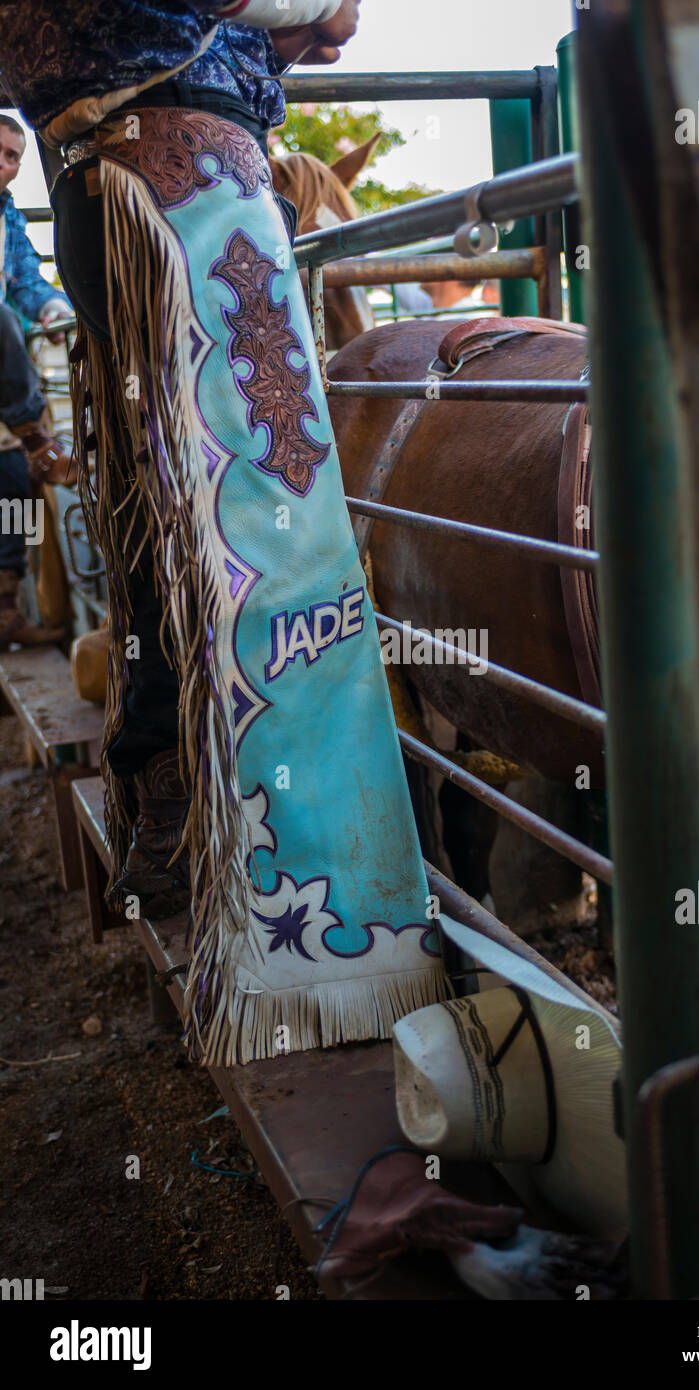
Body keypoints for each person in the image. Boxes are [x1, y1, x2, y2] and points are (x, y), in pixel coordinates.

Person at [0, 0, 446, 1065]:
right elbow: (300, 14)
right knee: (275, 522)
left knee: (175, 505)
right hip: (186, 168)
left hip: (112, 163)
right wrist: (309, 11)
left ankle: (173, 812)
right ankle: (323, 916)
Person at [0, 112, 74, 648]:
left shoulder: (6, 218)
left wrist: (52, 308)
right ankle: (36, 435)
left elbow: (27, 278)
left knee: (14, 490)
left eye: (12, 157)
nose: (2, 164)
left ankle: (7, 611)